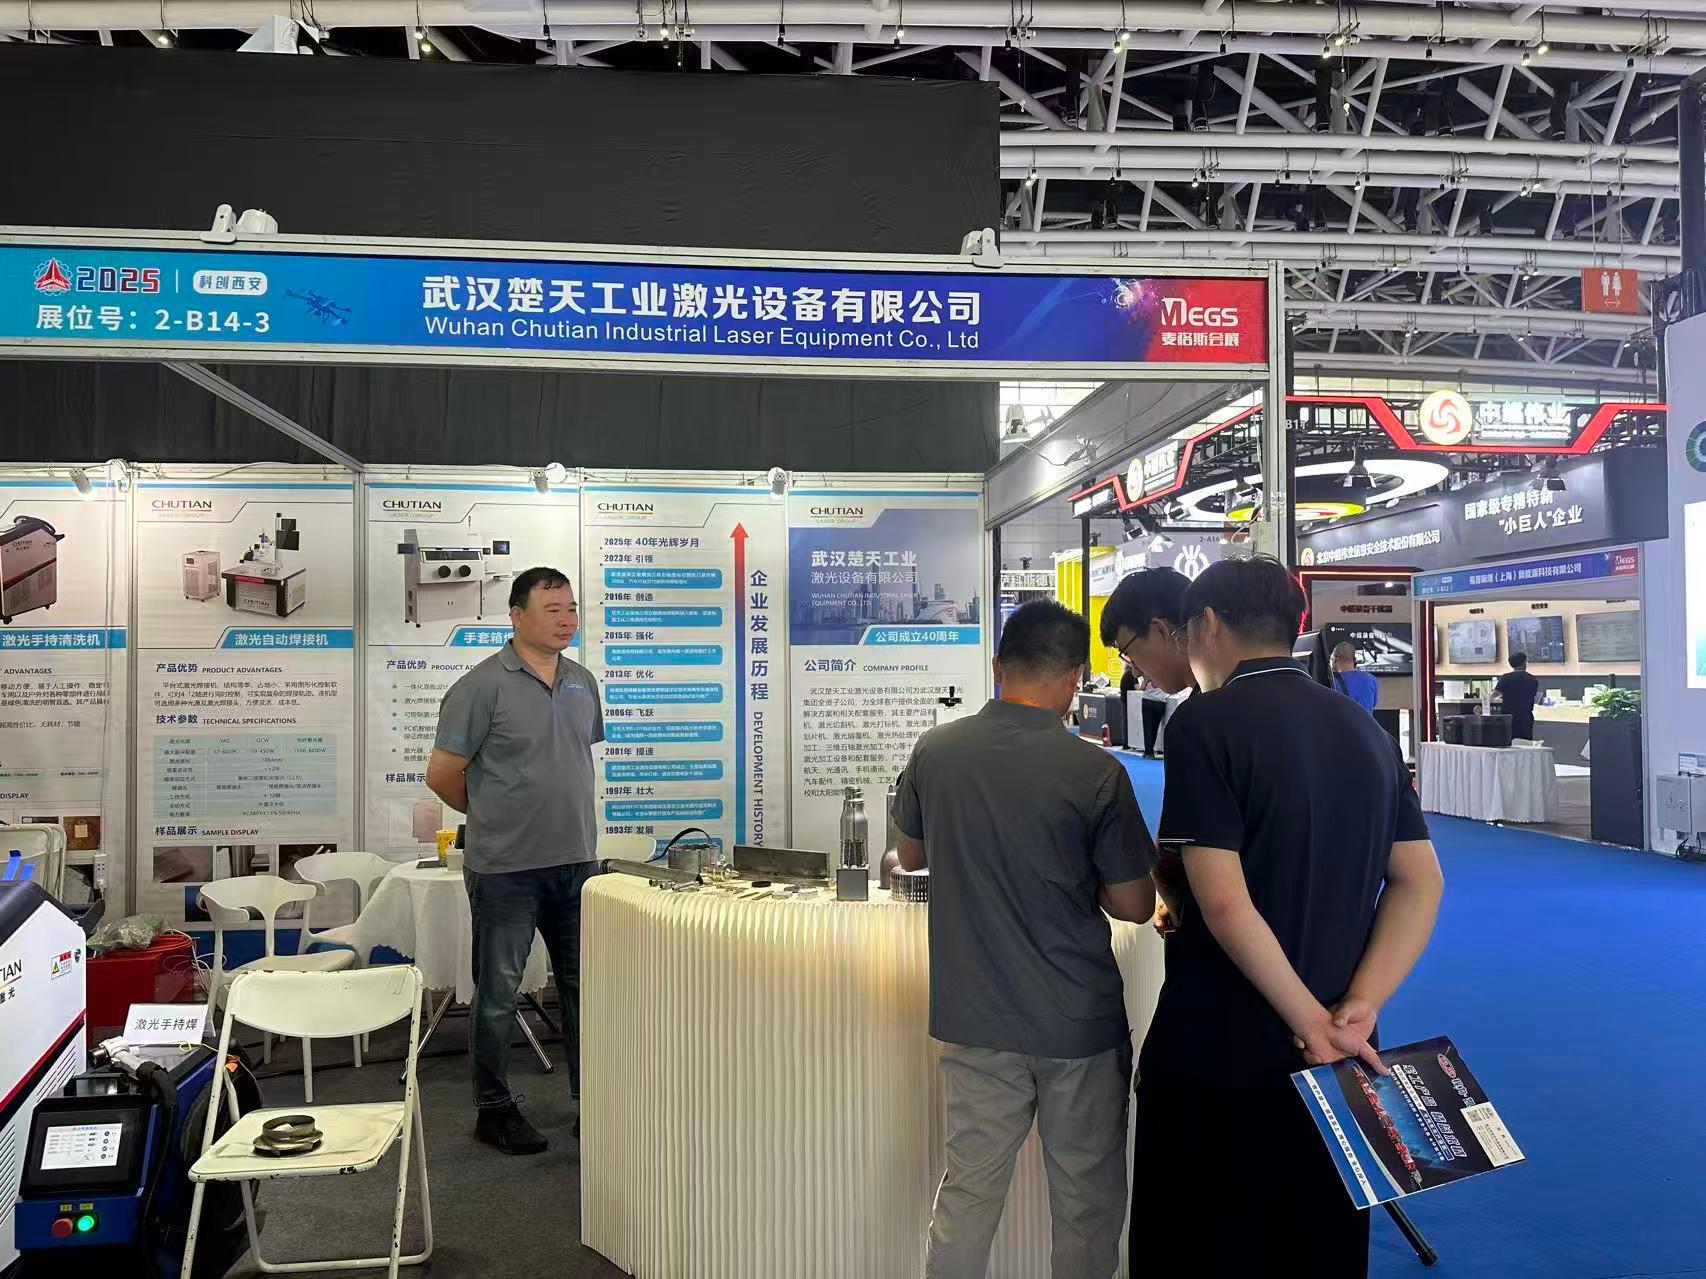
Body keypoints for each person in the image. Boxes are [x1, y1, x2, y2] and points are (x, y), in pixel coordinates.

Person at [1130, 557, 1444, 1278]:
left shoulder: (1205, 722)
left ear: (1208, 624)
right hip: (1341, 1056)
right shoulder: (1363, 727)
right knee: (1318, 1244)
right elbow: (1420, 881)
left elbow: (1223, 900)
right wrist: (1357, 1009)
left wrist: (1309, 1022)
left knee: (1200, 1245)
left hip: (1221, 1046)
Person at [894, 598, 1157, 1279]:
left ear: (997, 666)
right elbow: (1135, 905)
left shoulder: (936, 750)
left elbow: (910, 856)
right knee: (1087, 1202)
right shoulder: (1095, 771)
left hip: (975, 1016)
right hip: (1079, 1022)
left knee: (968, 1192)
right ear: (1073, 678)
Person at [426, 566, 605, 1156]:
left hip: (575, 863)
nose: (566, 620)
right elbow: (443, 775)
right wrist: (492, 814)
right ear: (517, 616)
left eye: (571, 608)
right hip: (505, 868)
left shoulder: (582, 681)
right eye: (552, 609)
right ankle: (494, 1108)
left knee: (580, 988)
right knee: (499, 992)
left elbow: (568, 760)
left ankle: (590, 1102)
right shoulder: (481, 686)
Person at [1494, 650, 1540, 741]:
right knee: (1525, 744)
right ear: (1524, 663)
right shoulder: (1532, 679)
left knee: (1509, 742)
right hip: (1525, 718)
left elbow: (1494, 695)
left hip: (1508, 718)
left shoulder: (1506, 678)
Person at [1332, 639, 1380, 714]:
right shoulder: (1370, 678)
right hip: (1365, 721)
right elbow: (1373, 703)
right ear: (1354, 660)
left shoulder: (1332, 681)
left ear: (1335, 659)